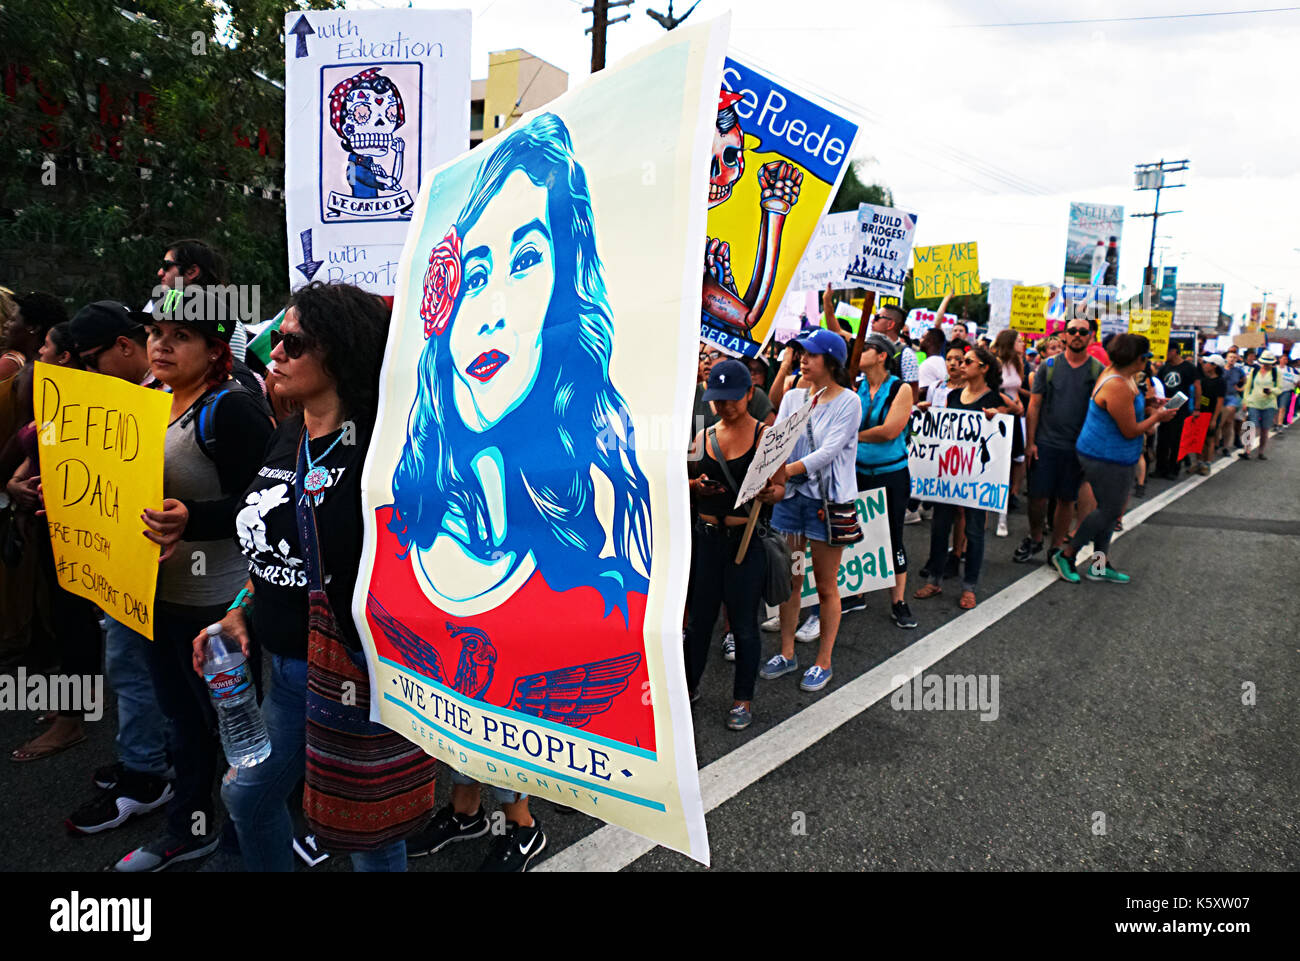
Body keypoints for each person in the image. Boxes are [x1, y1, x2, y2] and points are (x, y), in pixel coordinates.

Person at [366, 114, 656, 870]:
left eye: (527, 258)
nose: (488, 307)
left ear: (567, 293)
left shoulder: (599, 583)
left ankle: (519, 824)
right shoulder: (400, 516)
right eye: (477, 266)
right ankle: (465, 812)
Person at [198, 281, 433, 872]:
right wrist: (238, 610)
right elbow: (279, 548)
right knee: (248, 797)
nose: (273, 353)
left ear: (340, 352)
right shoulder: (289, 432)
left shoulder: (386, 452)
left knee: (368, 828)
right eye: (277, 339)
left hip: (354, 669)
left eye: (293, 343)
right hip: (283, 666)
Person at [111, 291, 274, 871]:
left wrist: (193, 520)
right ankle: (189, 825)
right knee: (181, 721)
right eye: (156, 332)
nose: (161, 344)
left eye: (180, 335)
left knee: (233, 727)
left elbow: (271, 502)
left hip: (219, 607)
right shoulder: (140, 403)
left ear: (214, 350)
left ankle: (243, 836)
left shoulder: (230, 410)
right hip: (153, 598)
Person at [60, 302, 176, 834]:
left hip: (159, 572)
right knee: (137, 669)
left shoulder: (174, 398)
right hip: (122, 563)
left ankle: (146, 776)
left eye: (91, 360)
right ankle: (150, 757)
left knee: (133, 669)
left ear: (123, 347)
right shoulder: (126, 398)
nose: (87, 373)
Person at [684, 360, 786, 730]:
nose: (724, 407)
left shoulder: (767, 437)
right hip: (707, 540)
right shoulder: (701, 436)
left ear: (749, 394)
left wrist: (768, 492)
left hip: (747, 544)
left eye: (732, 399)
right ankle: (689, 687)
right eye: (717, 400)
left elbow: (781, 487)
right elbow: (684, 480)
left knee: (744, 624)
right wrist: (697, 487)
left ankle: (742, 699)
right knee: (699, 623)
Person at [759, 328, 861, 693]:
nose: (803, 359)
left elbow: (828, 452)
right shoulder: (792, 396)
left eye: (811, 354)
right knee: (790, 580)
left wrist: (783, 472)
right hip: (791, 503)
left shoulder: (849, 401)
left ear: (831, 362)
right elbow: (779, 440)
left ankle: (823, 661)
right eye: (801, 352)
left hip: (827, 506)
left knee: (826, 584)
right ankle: (787, 653)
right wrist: (768, 474)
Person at [1050, 334, 1176, 585]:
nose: (1148, 362)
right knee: (1110, 510)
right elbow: (1130, 429)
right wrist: (1157, 418)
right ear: (1137, 358)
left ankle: (1100, 563)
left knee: (1109, 510)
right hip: (1105, 455)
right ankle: (1067, 554)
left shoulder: (1122, 375)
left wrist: (1151, 403)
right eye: (1146, 357)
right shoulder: (1117, 383)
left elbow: (1128, 409)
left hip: (1113, 453)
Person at [913, 346, 1017, 609]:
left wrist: (1000, 415)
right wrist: (928, 414)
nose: (961, 365)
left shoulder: (994, 398)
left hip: (977, 478)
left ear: (984, 368)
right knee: (940, 526)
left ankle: (969, 586)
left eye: (968, 361)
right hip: (950, 475)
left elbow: (1018, 412)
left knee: (974, 530)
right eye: (960, 361)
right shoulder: (955, 395)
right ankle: (934, 579)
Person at [1014, 317, 1102, 565]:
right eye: (1072, 331)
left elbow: (1101, 410)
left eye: (1082, 332)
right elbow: (1034, 405)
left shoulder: (1097, 370)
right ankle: (1035, 537)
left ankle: (1055, 548)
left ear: (1090, 336)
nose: (1077, 335)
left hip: (1077, 447)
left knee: (1067, 499)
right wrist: (1030, 442)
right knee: (1037, 497)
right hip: (1046, 444)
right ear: (1064, 335)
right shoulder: (1048, 366)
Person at [848, 332, 917, 629]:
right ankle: (858, 591)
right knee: (856, 531)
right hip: (858, 472)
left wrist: (852, 436)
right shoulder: (856, 387)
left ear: (881, 355)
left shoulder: (900, 389)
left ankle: (898, 601)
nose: (858, 353)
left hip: (891, 473)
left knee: (892, 535)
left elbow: (890, 430)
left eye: (865, 348)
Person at [992, 329, 1027, 537]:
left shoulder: (1018, 363)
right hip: (999, 416)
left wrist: (1019, 403)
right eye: (1019, 341)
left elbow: (1016, 389)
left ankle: (1003, 516)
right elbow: (994, 390)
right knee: (999, 465)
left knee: (1015, 460)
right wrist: (1010, 406)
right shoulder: (995, 363)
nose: (1022, 343)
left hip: (1014, 416)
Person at [1155, 344, 1200, 478]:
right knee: (1162, 438)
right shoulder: (1164, 368)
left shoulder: (1189, 367)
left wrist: (1197, 408)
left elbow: (1197, 387)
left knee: (1176, 440)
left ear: (1174, 351)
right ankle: (1160, 468)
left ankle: (1173, 469)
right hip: (1165, 405)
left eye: (1167, 351)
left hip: (1181, 405)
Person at [1239, 350, 1282, 460]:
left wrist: (1271, 391)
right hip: (1254, 402)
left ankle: (1261, 451)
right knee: (1250, 426)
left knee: (1264, 429)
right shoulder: (1255, 371)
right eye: (1265, 362)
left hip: (1269, 404)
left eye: (1269, 363)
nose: (1266, 365)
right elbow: (1247, 387)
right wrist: (1245, 401)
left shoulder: (1276, 373)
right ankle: (1247, 450)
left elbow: (1279, 389)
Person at [1192, 353, 1225, 475]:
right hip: (1201, 412)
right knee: (1198, 438)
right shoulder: (1203, 379)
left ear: (1215, 366)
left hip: (1211, 414)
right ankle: (1199, 462)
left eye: (1208, 363)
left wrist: (1214, 419)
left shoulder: (1220, 382)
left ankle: (1208, 462)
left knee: (1209, 439)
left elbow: (1219, 402)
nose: (1205, 365)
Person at [1220, 349, 1247, 453]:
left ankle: (1226, 446)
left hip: (1232, 397)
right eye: (1230, 357)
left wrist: (1240, 388)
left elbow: (1245, 381)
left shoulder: (1238, 371)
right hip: (1220, 397)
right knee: (1220, 422)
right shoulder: (1220, 369)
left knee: (1228, 421)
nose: (1232, 359)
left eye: (1234, 357)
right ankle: (1220, 441)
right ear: (1226, 358)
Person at [916, 328, 948, 402]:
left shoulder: (928, 364)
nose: (920, 340)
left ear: (929, 342)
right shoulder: (940, 361)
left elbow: (924, 391)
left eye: (923, 337)